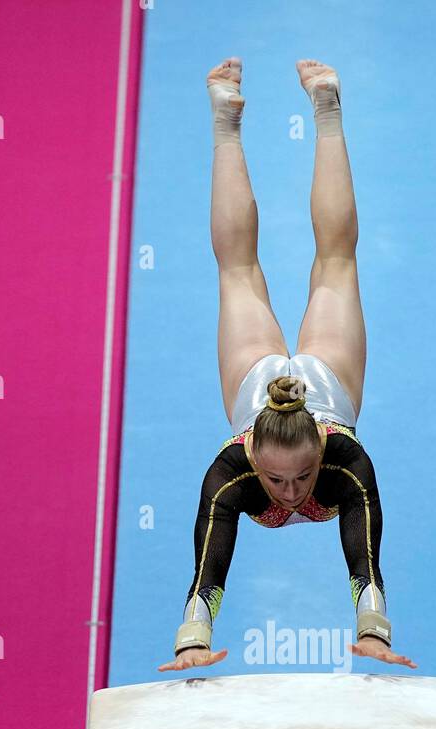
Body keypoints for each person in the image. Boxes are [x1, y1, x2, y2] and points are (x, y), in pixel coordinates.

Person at [159, 58, 416, 673]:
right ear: (251, 458)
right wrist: (193, 635)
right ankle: (226, 120)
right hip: (315, 374)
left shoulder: (345, 463)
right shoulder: (230, 473)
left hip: (295, 381)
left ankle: (327, 109)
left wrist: (374, 630)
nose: (295, 493)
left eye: (301, 477)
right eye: (278, 483)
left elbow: (367, 561)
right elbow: (207, 566)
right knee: (262, 267)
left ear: (320, 452)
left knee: (319, 261)